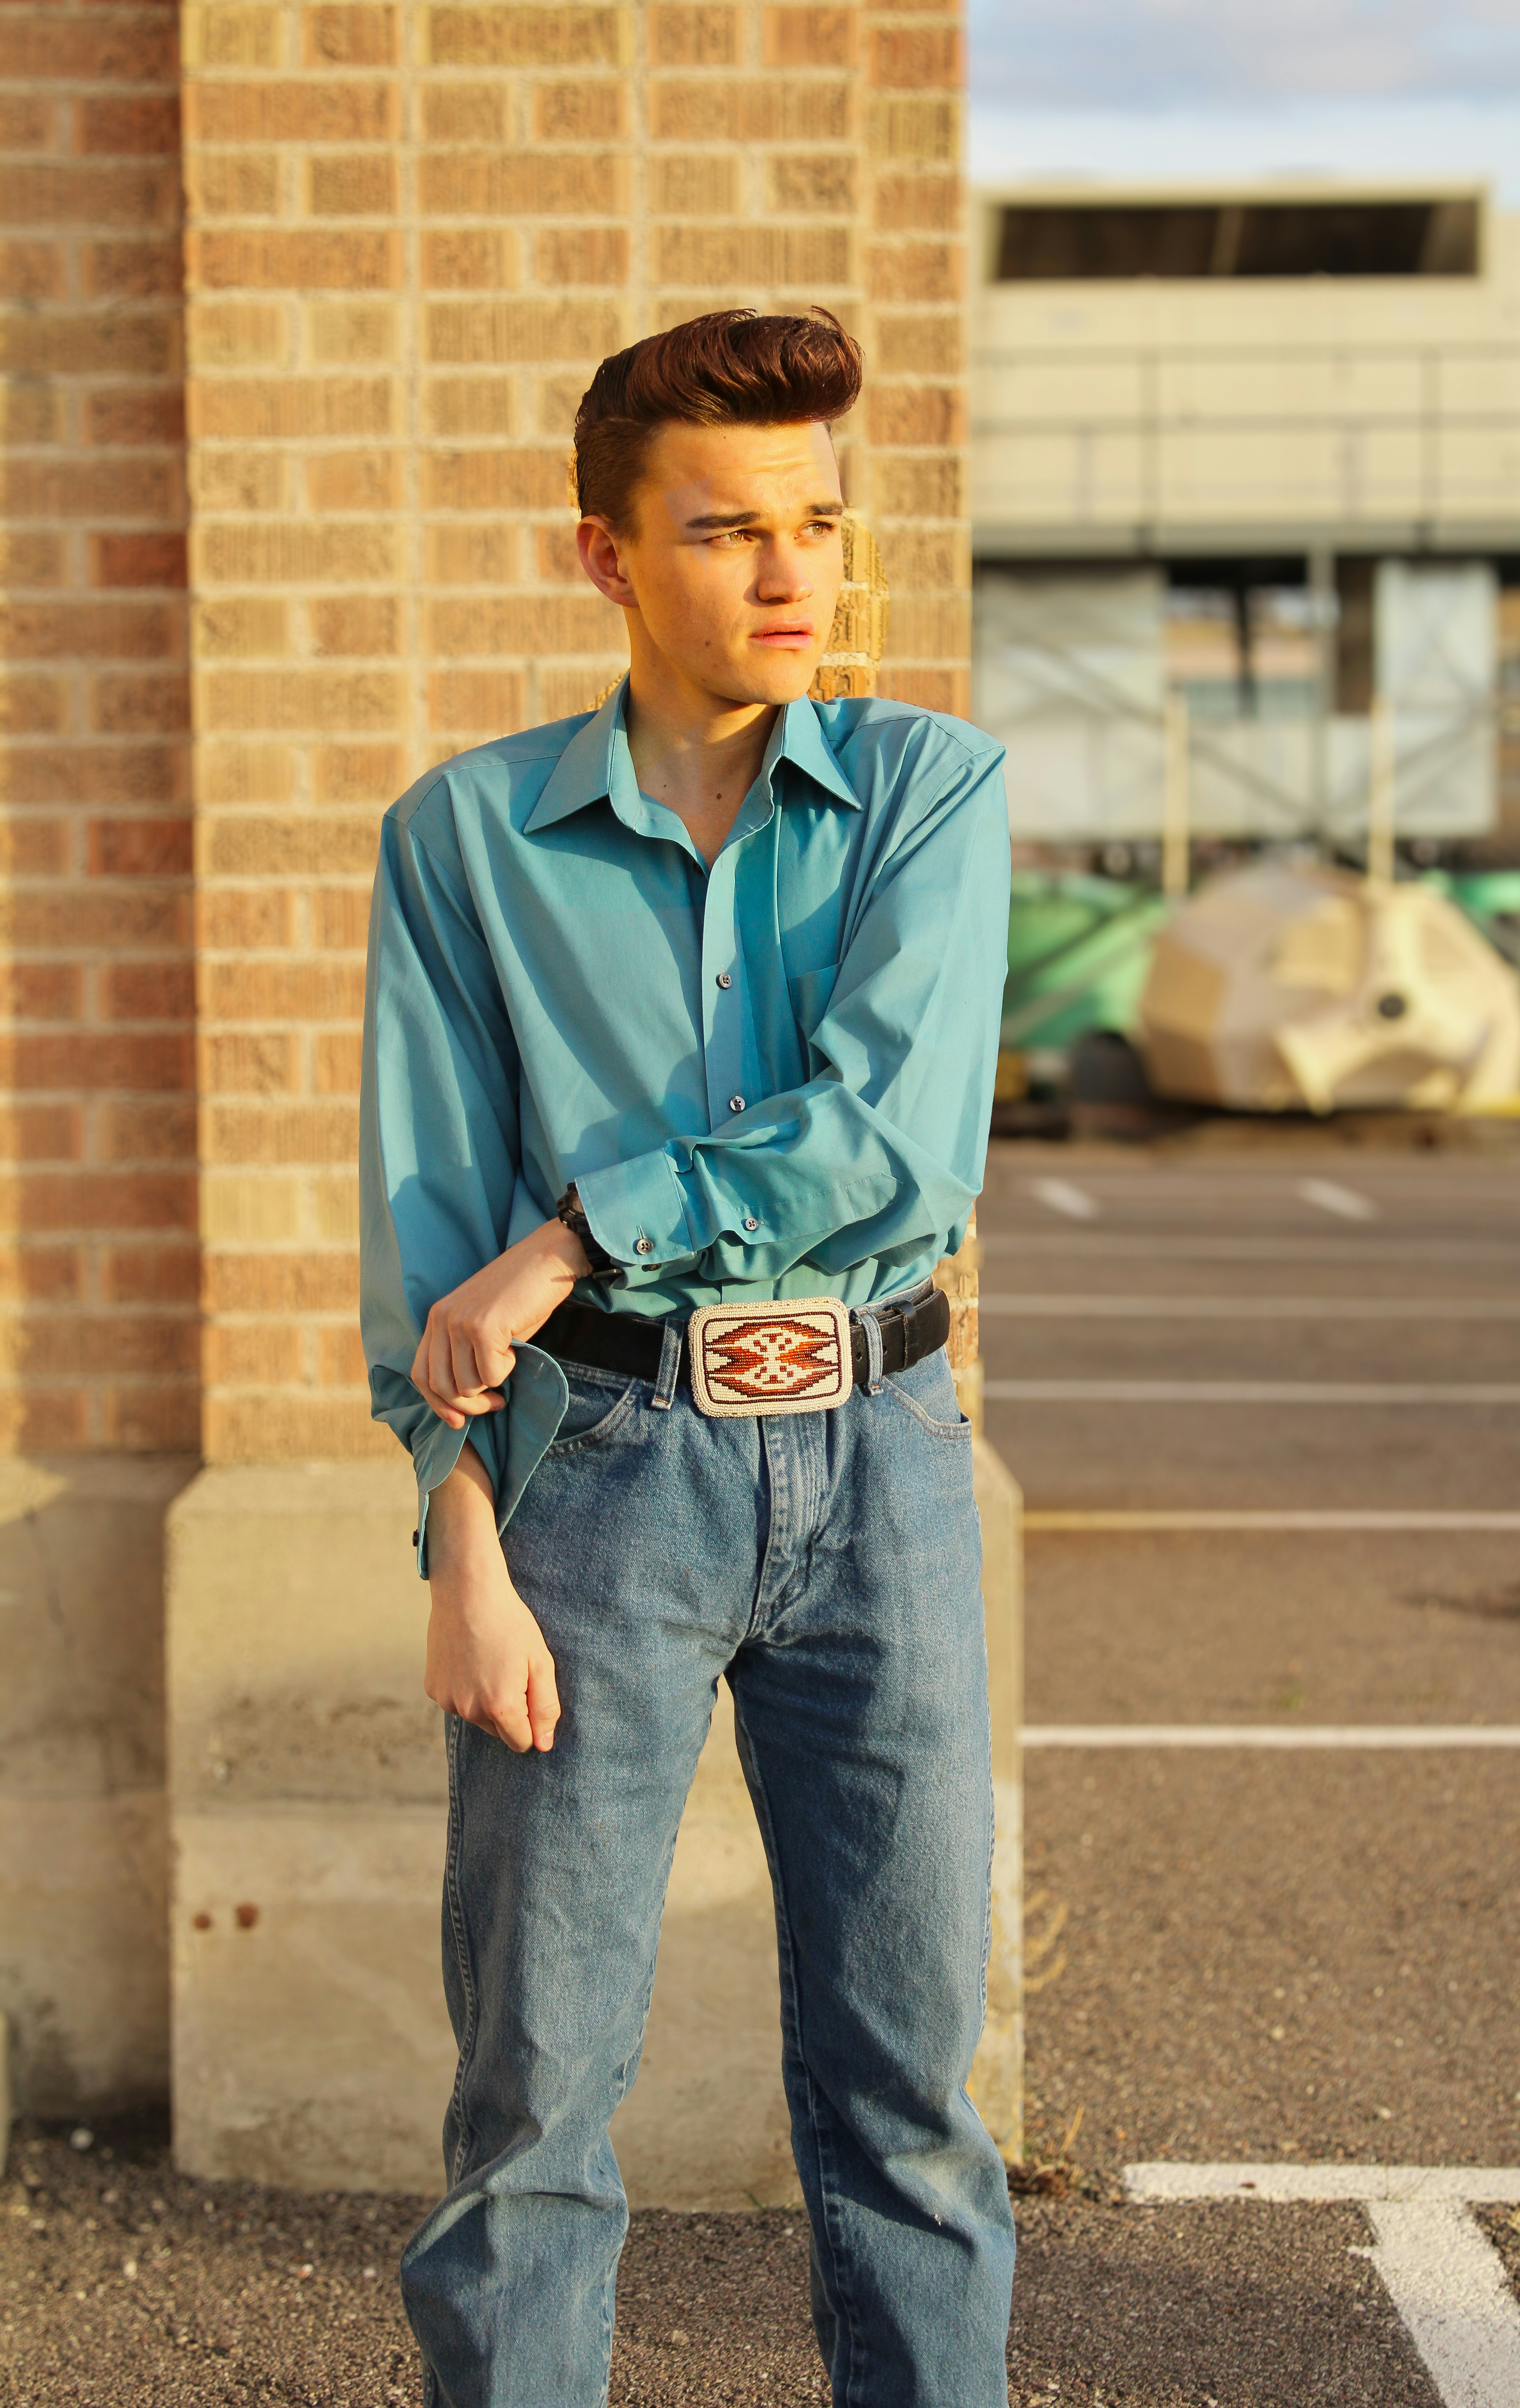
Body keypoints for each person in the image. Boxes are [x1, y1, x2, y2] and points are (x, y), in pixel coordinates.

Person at [359, 306, 1014, 2408]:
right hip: (595, 1490)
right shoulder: (463, 840)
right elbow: (426, 1235)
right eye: (731, 530)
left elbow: (893, 1142)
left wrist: (586, 1231)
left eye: (819, 521)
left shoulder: (931, 792)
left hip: (880, 1457)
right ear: (606, 555)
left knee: (908, 2098)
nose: (795, 572)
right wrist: (456, 1538)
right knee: (533, 2101)